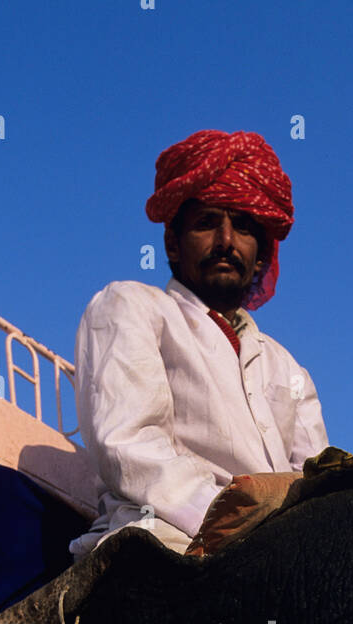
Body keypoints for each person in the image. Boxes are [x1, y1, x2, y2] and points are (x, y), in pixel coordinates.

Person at [69, 129, 329, 559]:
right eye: (207, 223)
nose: (226, 241)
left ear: (261, 256)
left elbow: (316, 477)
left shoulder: (288, 368)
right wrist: (235, 521)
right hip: (164, 539)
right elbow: (128, 445)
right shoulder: (129, 305)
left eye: (243, 227)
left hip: (281, 548)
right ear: (173, 244)